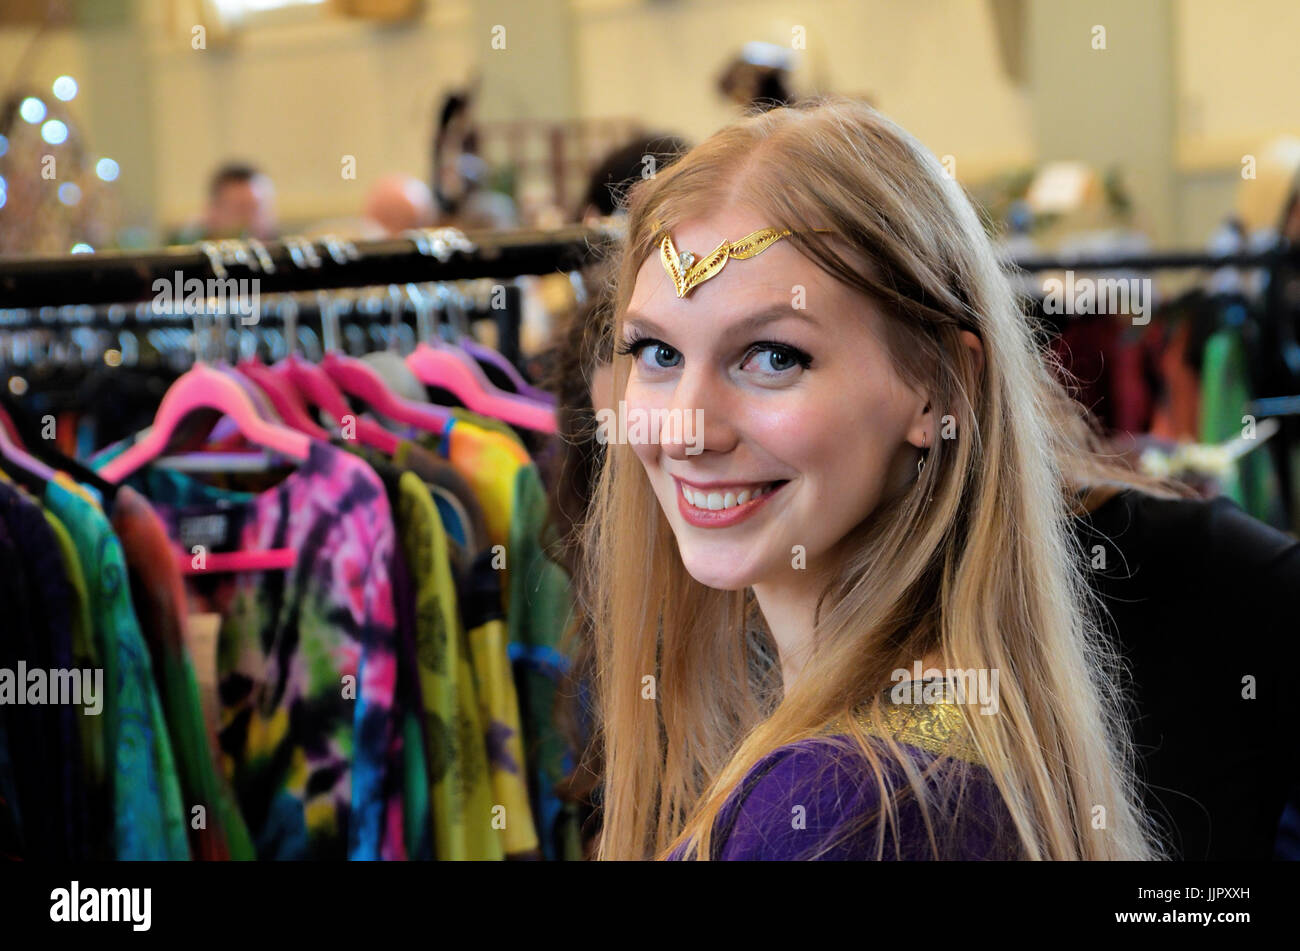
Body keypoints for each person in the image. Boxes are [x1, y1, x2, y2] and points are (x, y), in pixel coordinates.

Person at [578, 96, 1270, 863]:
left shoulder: (844, 806)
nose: (687, 426)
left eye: (774, 356)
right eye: (657, 353)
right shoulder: (940, 731)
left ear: (939, 384)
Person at [174, 162, 278, 244]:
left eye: (258, 208)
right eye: (240, 209)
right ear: (213, 212)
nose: (252, 219)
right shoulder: (185, 262)